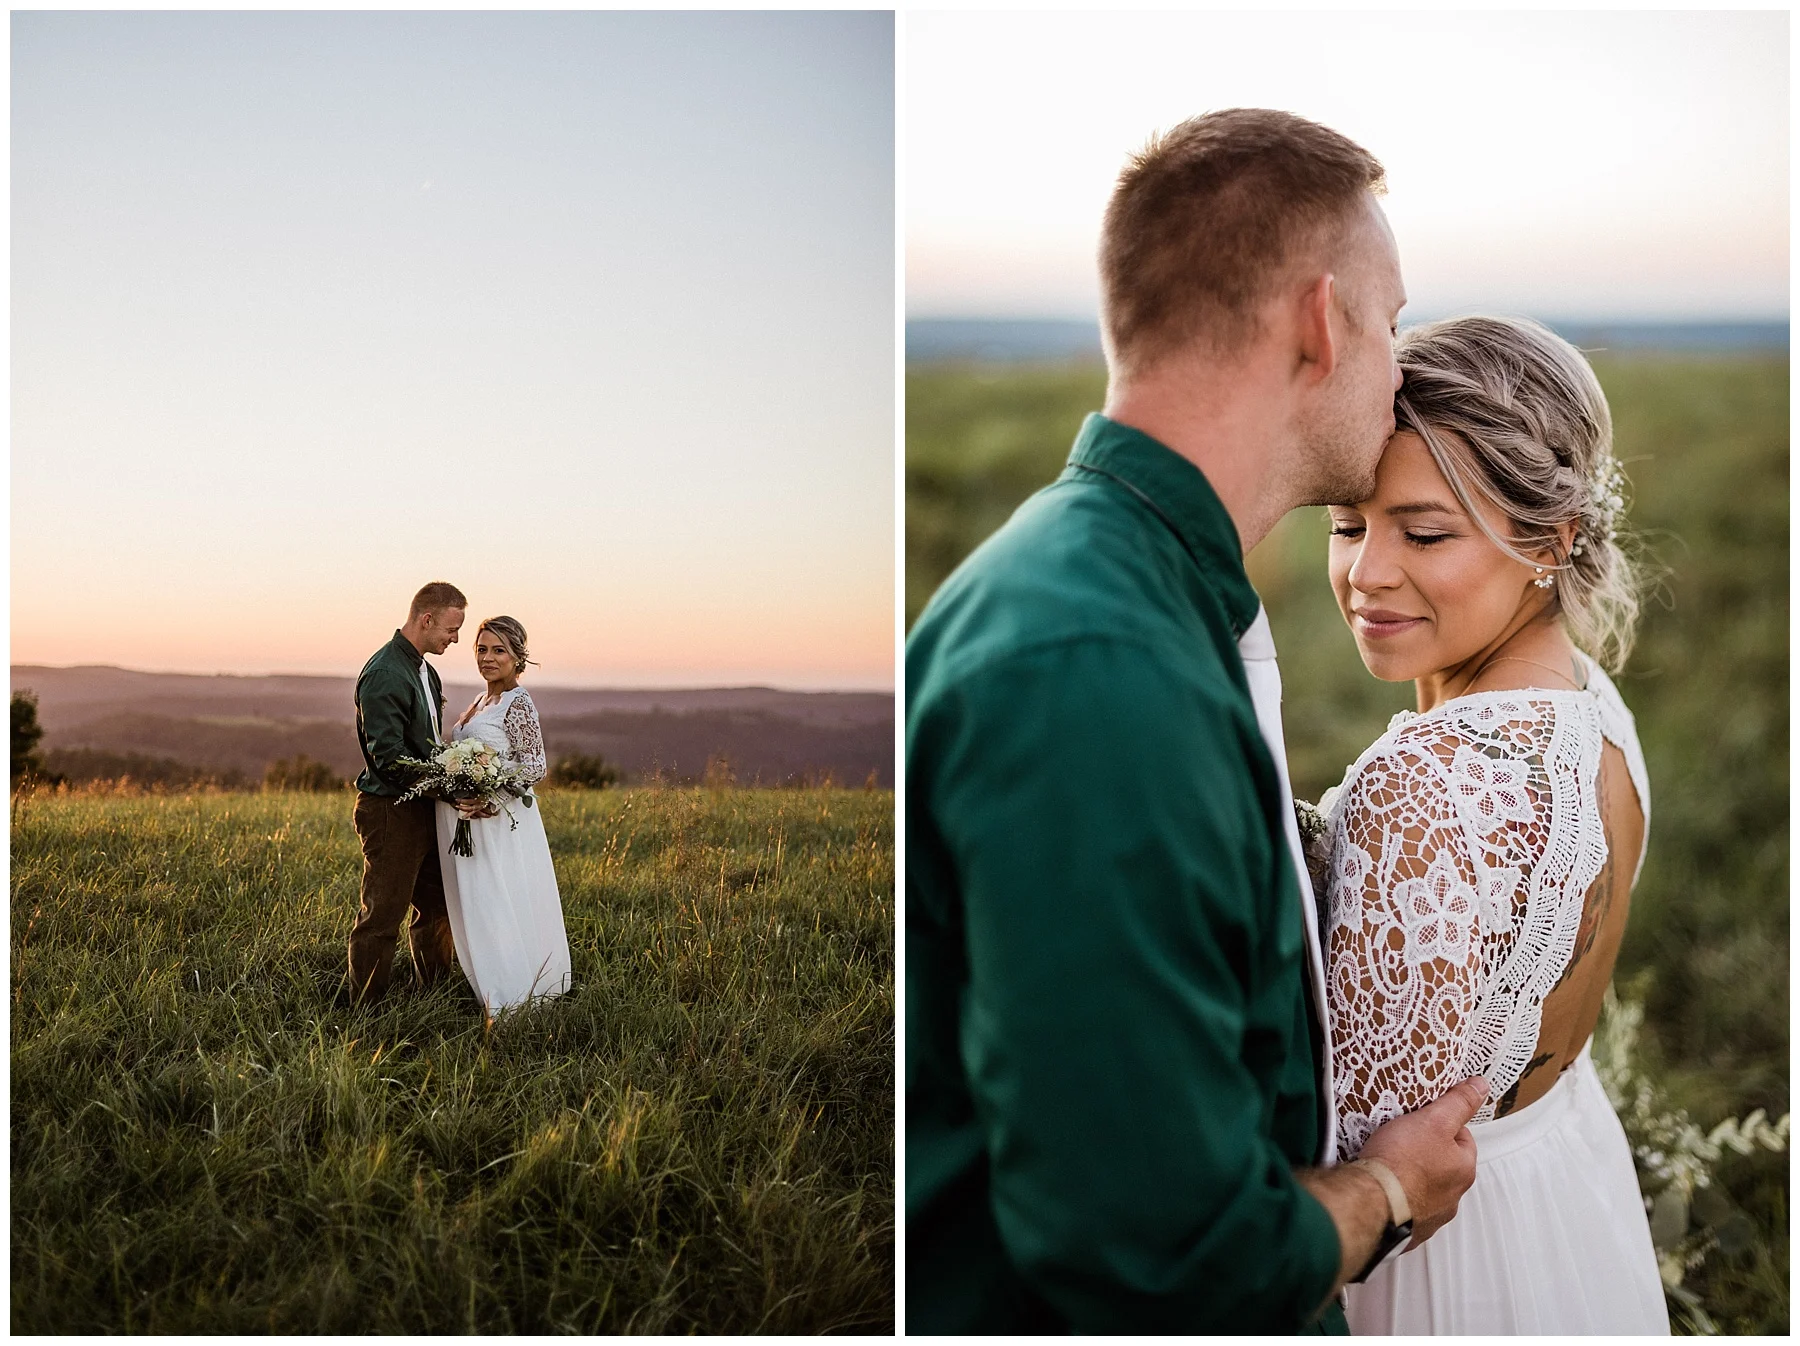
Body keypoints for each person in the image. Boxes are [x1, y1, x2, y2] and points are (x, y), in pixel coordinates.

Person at [906, 109, 1482, 1334]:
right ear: (1321, 321)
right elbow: (1156, 1254)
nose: (1398, 370)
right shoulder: (1095, 671)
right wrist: (1386, 1190)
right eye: (1391, 323)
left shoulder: (1130, 591)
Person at [1320, 315, 1668, 1333]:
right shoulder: (1594, 704)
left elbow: (1354, 1150)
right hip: (1567, 1206)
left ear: (1550, 541)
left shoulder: (1424, 782)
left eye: (1424, 533)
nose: (1367, 573)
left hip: (1434, 1268)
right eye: (1347, 524)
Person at [436, 616, 572, 1017]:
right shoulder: (481, 700)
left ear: (517, 658)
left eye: (499, 650)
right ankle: (490, 982)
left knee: (498, 902)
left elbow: (535, 765)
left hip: (499, 822)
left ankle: (510, 996)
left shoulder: (518, 702)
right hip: (471, 822)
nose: (488, 658)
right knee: (480, 904)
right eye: (482, 649)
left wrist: (492, 797)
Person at [346, 581, 466, 1005]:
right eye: (452, 629)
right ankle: (367, 1010)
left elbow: (426, 744)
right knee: (383, 914)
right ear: (426, 619)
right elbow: (389, 758)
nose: (456, 639)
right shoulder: (386, 673)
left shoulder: (425, 671)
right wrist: (449, 789)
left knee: (437, 905)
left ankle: (432, 994)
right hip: (390, 810)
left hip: (425, 807)